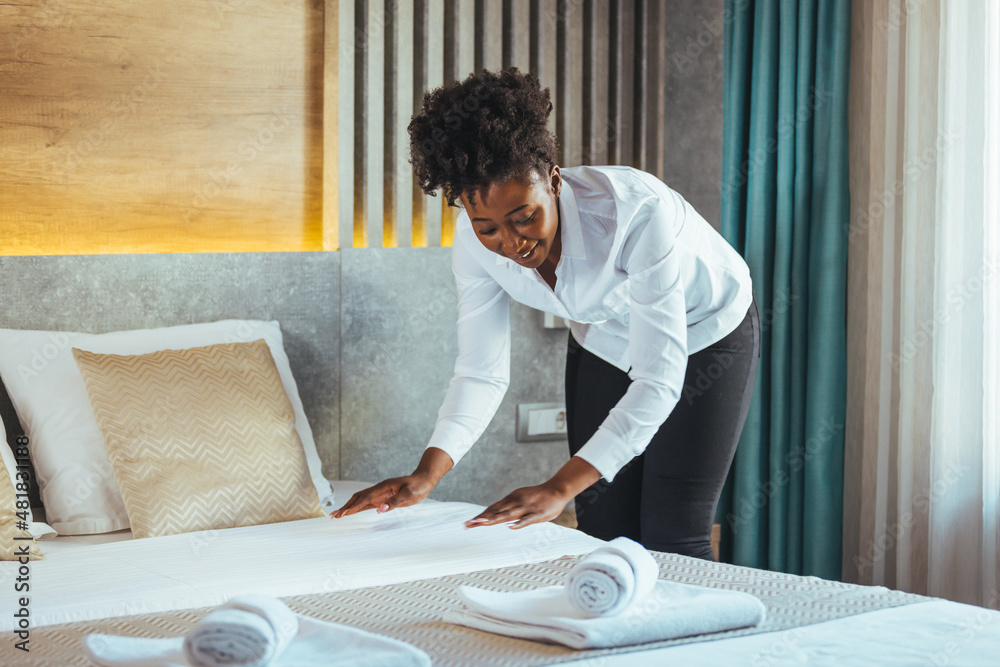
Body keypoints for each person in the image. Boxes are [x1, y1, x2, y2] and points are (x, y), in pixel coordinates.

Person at [332, 67, 760, 560]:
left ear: (554, 181)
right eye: (488, 227)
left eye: (524, 217)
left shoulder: (636, 215)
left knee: (671, 529)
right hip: (604, 334)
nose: (511, 244)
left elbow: (658, 380)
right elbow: (481, 372)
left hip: (706, 329)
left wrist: (558, 487)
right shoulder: (474, 243)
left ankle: (693, 633)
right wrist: (427, 473)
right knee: (602, 526)